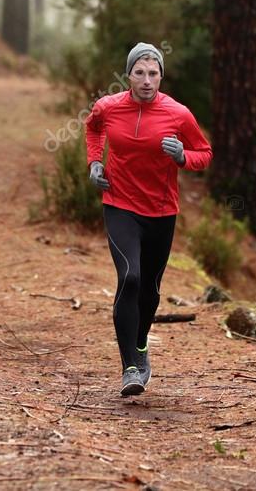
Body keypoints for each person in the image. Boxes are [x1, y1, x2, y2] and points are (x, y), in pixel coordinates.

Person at [84, 42, 213, 396]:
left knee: (151, 290)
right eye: (139, 73)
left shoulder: (178, 113)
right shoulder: (108, 107)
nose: (146, 80)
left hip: (161, 211)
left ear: (161, 76)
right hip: (120, 203)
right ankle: (130, 368)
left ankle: (140, 344)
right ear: (128, 76)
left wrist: (184, 156)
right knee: (130, 276)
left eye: (153, 73)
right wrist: (95, 162)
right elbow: (92, 128)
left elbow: (205, 152)